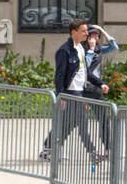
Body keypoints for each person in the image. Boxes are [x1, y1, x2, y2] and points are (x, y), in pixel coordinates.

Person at [43, 19, 105, 164]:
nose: (87, 33)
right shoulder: (64, 51)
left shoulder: (80, 49)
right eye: (83, 31)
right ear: (74, 32)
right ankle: (93, 152)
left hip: (79, 92)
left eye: (86, 31)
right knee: (82, 124)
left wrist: (100, 83)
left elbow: (85, 72)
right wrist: (61, 96)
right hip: (70, 93)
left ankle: (48, 149)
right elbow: (59, 76)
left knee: (68, 125)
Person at [82, 25, 120, 152]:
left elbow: (114, 47)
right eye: (92, 36)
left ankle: (108, 148)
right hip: (81, 89)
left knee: (103, 119)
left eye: (97, 36)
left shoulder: (99, 50)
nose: (95, 38)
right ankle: (49, 146)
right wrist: (91, 50)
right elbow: (85, 67)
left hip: (95, 89)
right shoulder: (80, 50)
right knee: (71, 121)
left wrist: (103, 31)